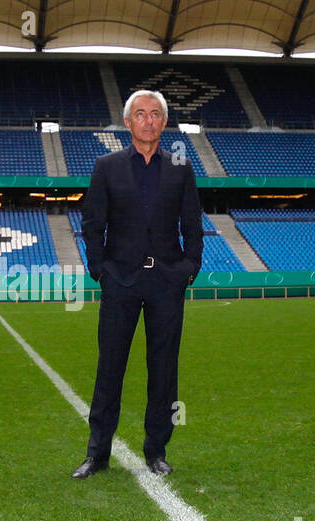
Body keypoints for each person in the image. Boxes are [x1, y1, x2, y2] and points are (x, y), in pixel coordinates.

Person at [73, 89, 203, 479]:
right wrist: (101, 271)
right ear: (128, 123)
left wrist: (188, 268)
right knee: (110, 367)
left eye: (156, 114)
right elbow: (93, 224)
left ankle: (156, 450)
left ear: (164, 123)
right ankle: (98, 453)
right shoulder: (107, 166)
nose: (148, 120)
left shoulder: (181, 166)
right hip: (121, 282)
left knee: (163, 369)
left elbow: (192, 224)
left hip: (166, 282)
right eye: (140, 114)